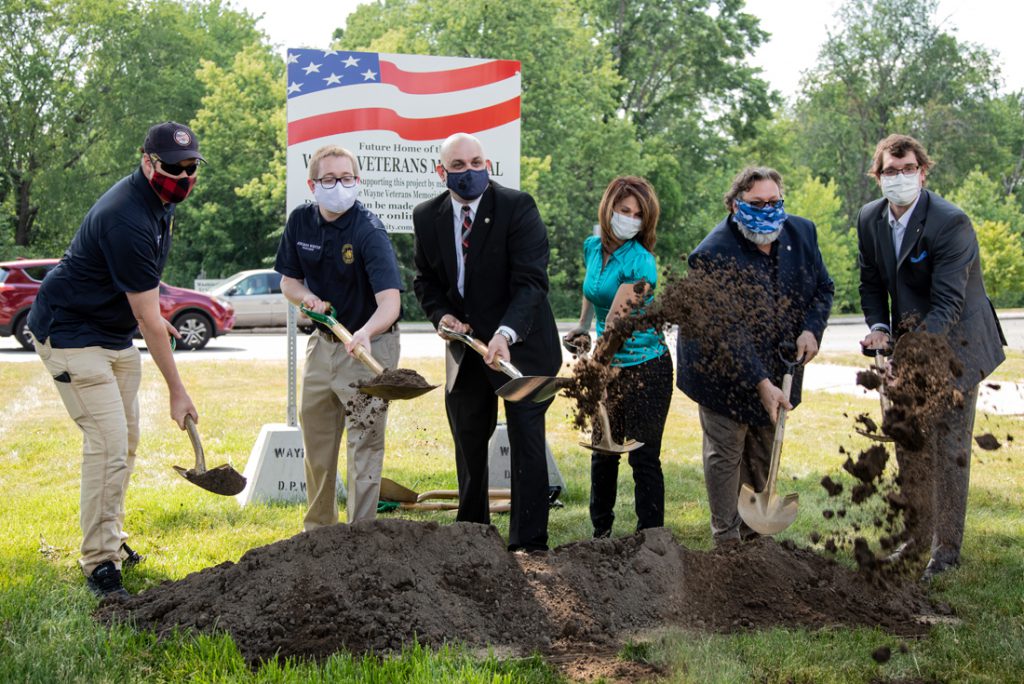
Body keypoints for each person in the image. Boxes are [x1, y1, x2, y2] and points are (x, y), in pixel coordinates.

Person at [27, 121, 203, 597]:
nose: (184, 177)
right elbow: (146, 317)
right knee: (107, 444)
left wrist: (152, 315)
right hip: (70, 332)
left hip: (112, 333)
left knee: (123, 446)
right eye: (174, 168)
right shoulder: (126, 215)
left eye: (192, 168)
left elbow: (141, 291)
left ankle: (111, 538)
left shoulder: (159, 203)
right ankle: (99, 562)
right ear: (148, 161)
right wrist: (177, 390)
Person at [857, 134, 1005, 580]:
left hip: (956, 341)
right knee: (909, 442)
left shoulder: (950, 223)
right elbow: (870, 281)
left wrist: (910, 357)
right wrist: (880, 329)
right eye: (890, 171)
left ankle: (946, 551)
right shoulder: (869, 219)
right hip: (905, 340)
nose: (899, 178)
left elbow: (947, 306)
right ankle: (915, 536)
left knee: (947, 447)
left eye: (908, 170)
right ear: (877, 176)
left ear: (923, 172)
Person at [412, 132, 561, 552]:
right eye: (458, 166)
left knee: (526, 443)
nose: (469, 172)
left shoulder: (517, 207)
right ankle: (472, 536)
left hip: (522, 346)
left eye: (476, 163)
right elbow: (425, 280)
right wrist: (441, 316)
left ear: (488, 166)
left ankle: (528, 543)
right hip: (467, 350)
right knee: (469, 440)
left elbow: (532, 282)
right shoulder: (426, 216)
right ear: (441, 172)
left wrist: (504, 334)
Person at [676, 167, 834, 546]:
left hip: (779, 362)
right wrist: (760, 383)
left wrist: (812, 329)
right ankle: (727, 538)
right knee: (726, 451)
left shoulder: (802, 233)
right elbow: (726, 332)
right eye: (756, 204)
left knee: (764, 444)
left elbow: (823, 288)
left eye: (774, 202)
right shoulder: (712, 255)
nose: (767, 210)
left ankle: (756, 536)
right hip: (720, 367)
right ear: (734, 206)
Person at [275, 145, 403, 531]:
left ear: (357, 181)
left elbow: (390, 304)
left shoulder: (369, 231)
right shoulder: (300, 221)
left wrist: (364, 333)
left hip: (369, 346)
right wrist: (306, 298)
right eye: (330, 179)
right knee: (317, 439)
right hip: (324, 343)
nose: (339, 186)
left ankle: (360, 534)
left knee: (364, 443)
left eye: (347, 178)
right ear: (313, 184)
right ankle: (319, 531)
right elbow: (288, 281)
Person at [564, 176, 673, 538]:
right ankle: (601, 535)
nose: (630, 219)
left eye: (638, 215)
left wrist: (594, 368)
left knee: (643, 456)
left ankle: (652, 540)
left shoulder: (642, 263)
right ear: (609, 208)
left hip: (646, 368)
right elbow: (593, 290)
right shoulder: (592, 247)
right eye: (623, 210)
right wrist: (582, 326)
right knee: (603, 451)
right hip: (607, 363)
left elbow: (615, 323)